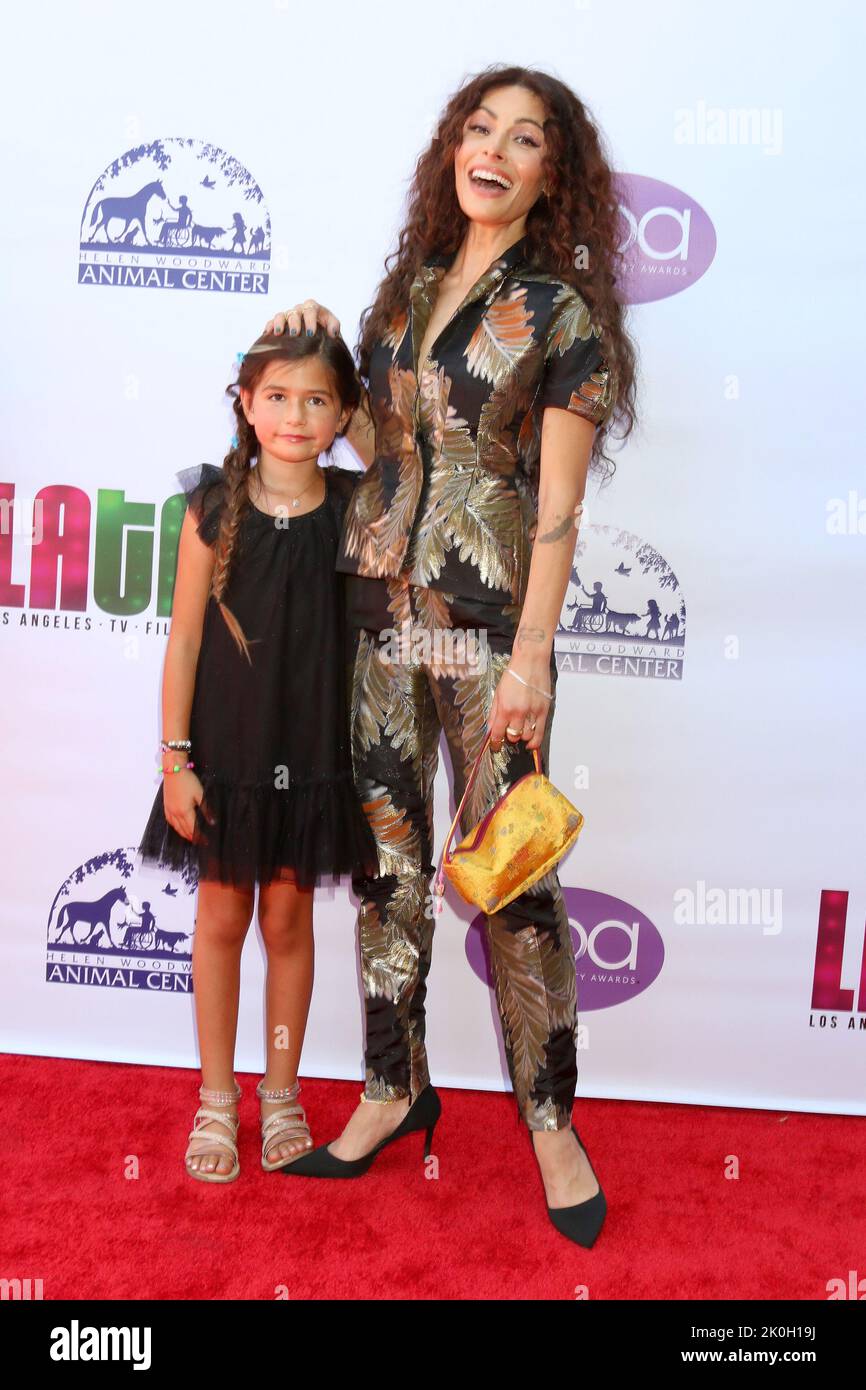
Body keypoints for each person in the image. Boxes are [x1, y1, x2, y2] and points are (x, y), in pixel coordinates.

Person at [266, 63, 637, 1247]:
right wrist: (332, 362)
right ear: (452, 150)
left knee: (511, 879)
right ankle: (391, 1085)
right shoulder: (413, 288)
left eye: (522, 139)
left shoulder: (561, 316)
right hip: (378, 613)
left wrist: (531, 658)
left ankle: (548, 1120)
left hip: (485, 638)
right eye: (479, 129)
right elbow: (387, 447)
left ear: (548, 175)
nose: (492, 150)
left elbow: (555, 510)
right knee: (388, 864)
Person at [138, 326, 379, 1184]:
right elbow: (186, 639)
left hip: (313, 755)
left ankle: (281, 1092)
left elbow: (409, 470)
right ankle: (215, 1097)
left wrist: (351, 380)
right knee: (221, 920)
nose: (296, 415)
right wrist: (177, 760)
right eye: (276, 395)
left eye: (319, 400)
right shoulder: (214, 507)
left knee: (287, 922)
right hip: (227, 758)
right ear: (244, 402)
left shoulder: (357, 505)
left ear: (344, 414)